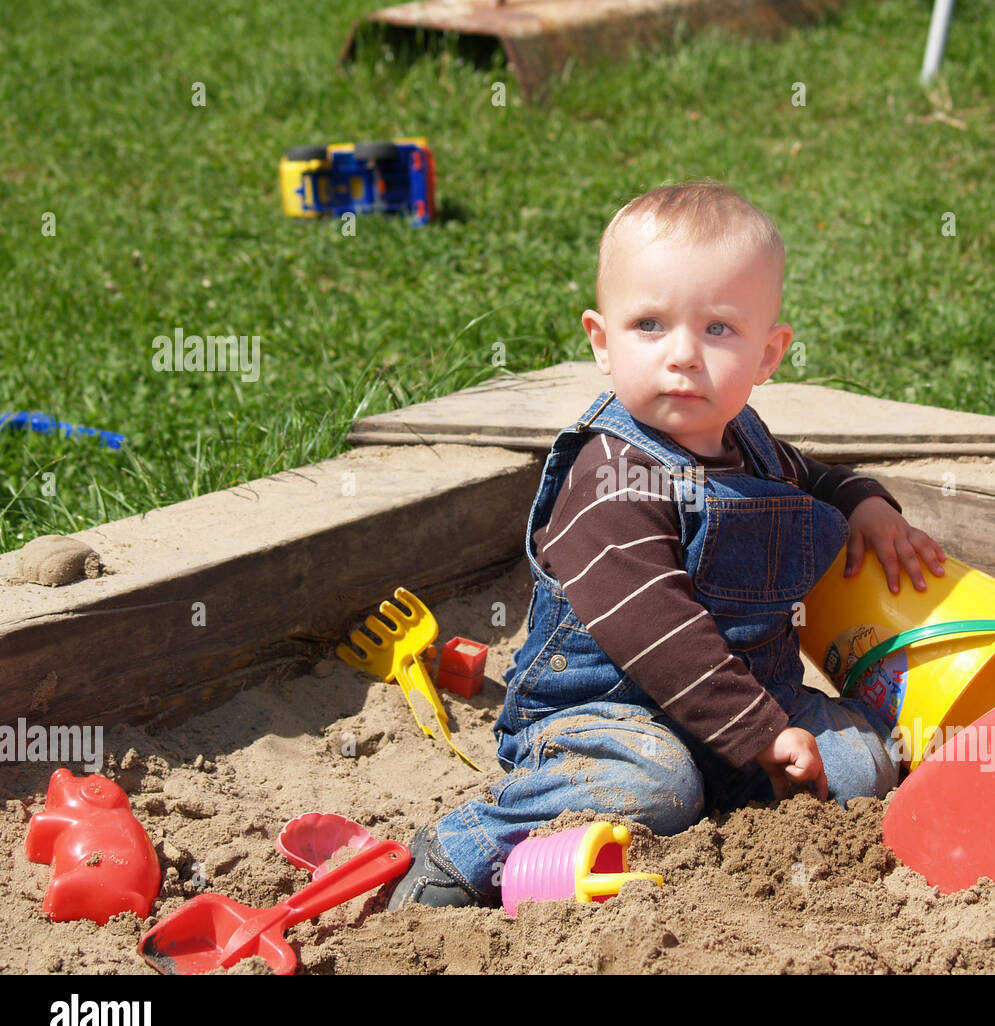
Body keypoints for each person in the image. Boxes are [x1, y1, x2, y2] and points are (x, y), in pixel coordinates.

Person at [387, 180, 946, 910]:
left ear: (769, 353)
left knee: (858, 762)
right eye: (649, 324)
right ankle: (461, 852)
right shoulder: (612, 478)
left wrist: (865, 502)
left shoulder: (752, 446)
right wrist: (761, 733)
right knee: (651, 784)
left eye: (718, 329)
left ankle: (735, 802)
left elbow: (815, 476)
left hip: (747, 716)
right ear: (600, 340)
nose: (682, 355)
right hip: (603, 721)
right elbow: (656, 632)